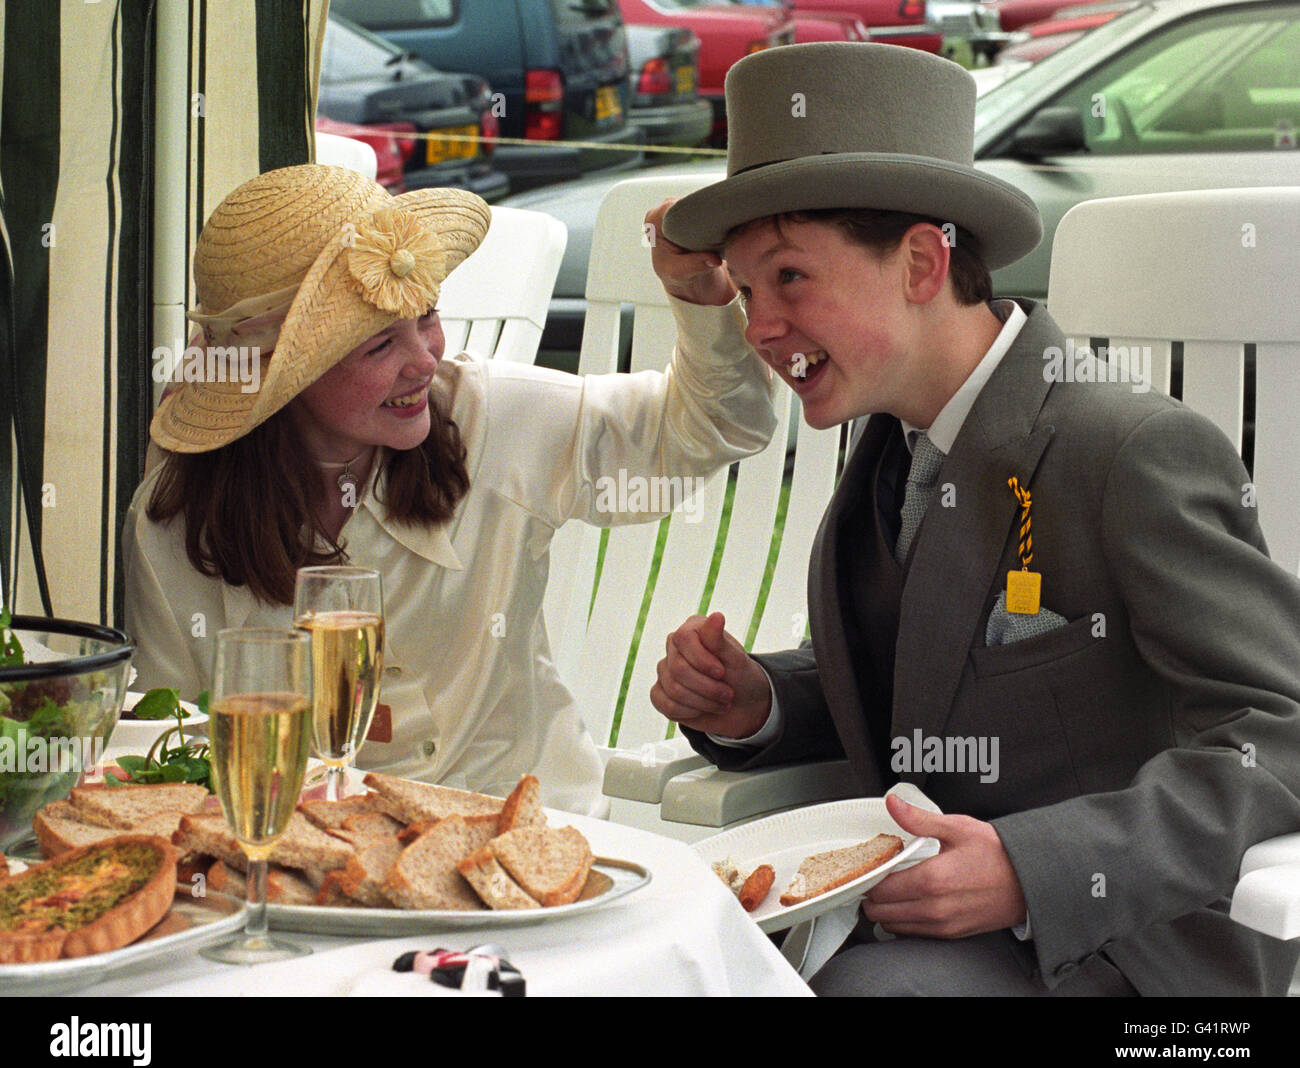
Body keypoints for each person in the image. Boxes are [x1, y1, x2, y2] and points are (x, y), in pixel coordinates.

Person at [650, 42, 1300, 995]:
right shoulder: (893, 450)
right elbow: (930, 686)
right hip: (914, 923)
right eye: (747, 292)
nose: (758, 326)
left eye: (789, 277)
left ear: (921, 261)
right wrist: (765, 704)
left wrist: (1031, 868)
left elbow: (1280, 728)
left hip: (1132, 951)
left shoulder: (1126, 452)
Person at [123, 163, 775, 816]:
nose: (426, 358)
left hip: (533, 851)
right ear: (281, 381)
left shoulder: (496, 419)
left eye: (427, 315)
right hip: (306, 877)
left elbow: (717, 427)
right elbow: (168, 745)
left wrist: (700, 294)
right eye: (380, 344)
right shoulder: (175, 524)